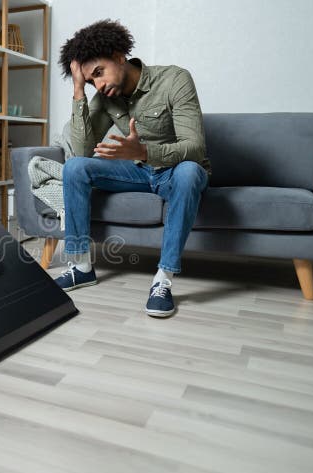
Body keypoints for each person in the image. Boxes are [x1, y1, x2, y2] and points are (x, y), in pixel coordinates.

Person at [55, 19, 211, 317]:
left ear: (119, 56)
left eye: (99, 73)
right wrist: (78, 91)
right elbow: (83, 151)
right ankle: (81, 266)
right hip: (139, 172)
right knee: (74, 167)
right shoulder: (105, 96)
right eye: (91, 81)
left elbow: (195, 148)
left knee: (191, 171)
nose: (99, 85)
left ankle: (163, 279)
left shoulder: (175, 79)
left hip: (175, 172)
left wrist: (144, 151)